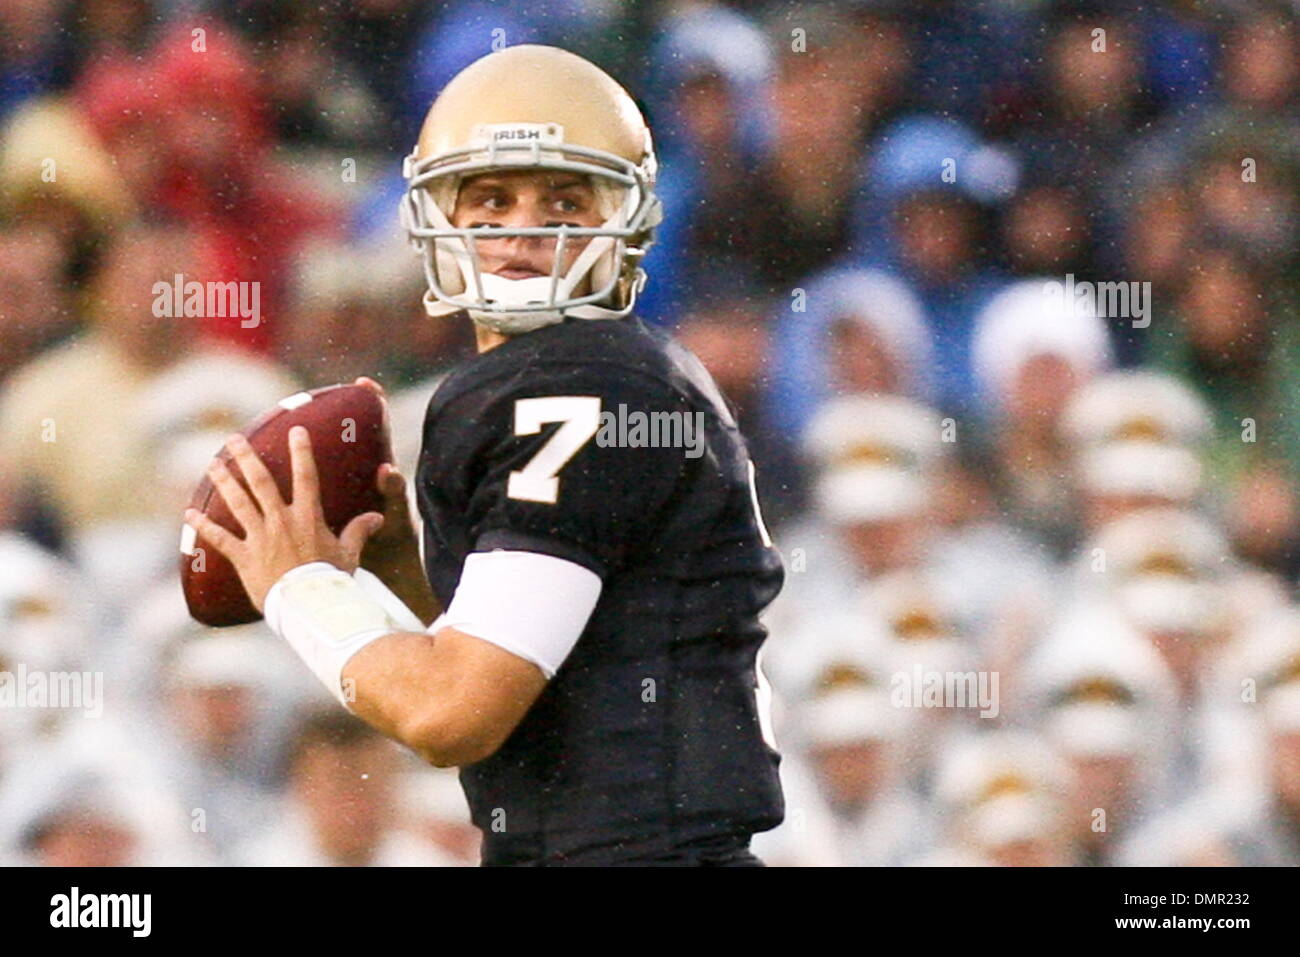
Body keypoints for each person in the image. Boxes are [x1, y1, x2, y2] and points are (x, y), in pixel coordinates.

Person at [184, 45, 785, 866]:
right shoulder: (606, 374)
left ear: (626, 220)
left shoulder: (581, 385)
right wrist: (402, 573)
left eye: (564, 203)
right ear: (438, 218)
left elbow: (454, 714)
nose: (524, 230)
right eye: (492, 200)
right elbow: (546, 670)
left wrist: (298, 587)